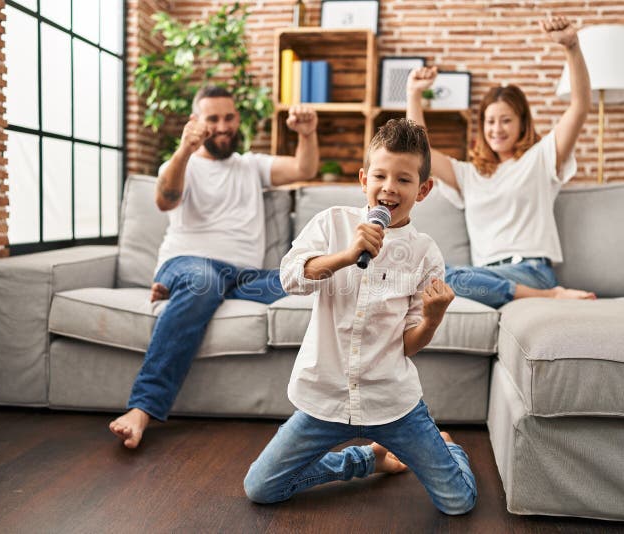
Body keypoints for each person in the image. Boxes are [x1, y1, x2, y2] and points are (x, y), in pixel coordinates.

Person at [243, 119, 478, 515]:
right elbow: (289, 278)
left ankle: (448, 447)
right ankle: (368, 459)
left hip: (392, 403)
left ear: (422, 190)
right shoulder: (332, 223)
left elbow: (408, 345)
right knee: (261, 487)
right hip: (327, 398)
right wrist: (345, 257)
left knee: (459, 503)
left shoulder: (425, 253)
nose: (389, 187)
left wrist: (433, 318)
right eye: (381, 176)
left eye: (403, 180)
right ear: (363, 178)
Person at [109, 86, 320, 448]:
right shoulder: (181, 165)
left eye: (229, 118)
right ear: (196, 123)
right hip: (189, 265)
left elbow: (305, 167)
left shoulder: (250, 166)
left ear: (237, 119)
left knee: (311, 275)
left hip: (244, 277)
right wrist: (184, 150)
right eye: (212, 119)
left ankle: (427, 276)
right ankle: (142, 408)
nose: (222, 126)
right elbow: (164, 200)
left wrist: (307, 133)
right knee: (204, 281)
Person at [406, 16, 596, 308]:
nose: (497, 129)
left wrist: (571, 47)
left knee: (450, 278)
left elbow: (580, 106)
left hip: (531, 271)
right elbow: (420, 151)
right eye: (490, 121)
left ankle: (549, 293)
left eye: (506, 120)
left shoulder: (541, 159)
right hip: (487, 276)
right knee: (433, 277)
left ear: (522, 124)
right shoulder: (468, 174)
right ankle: (541, 297)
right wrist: (413, 94)